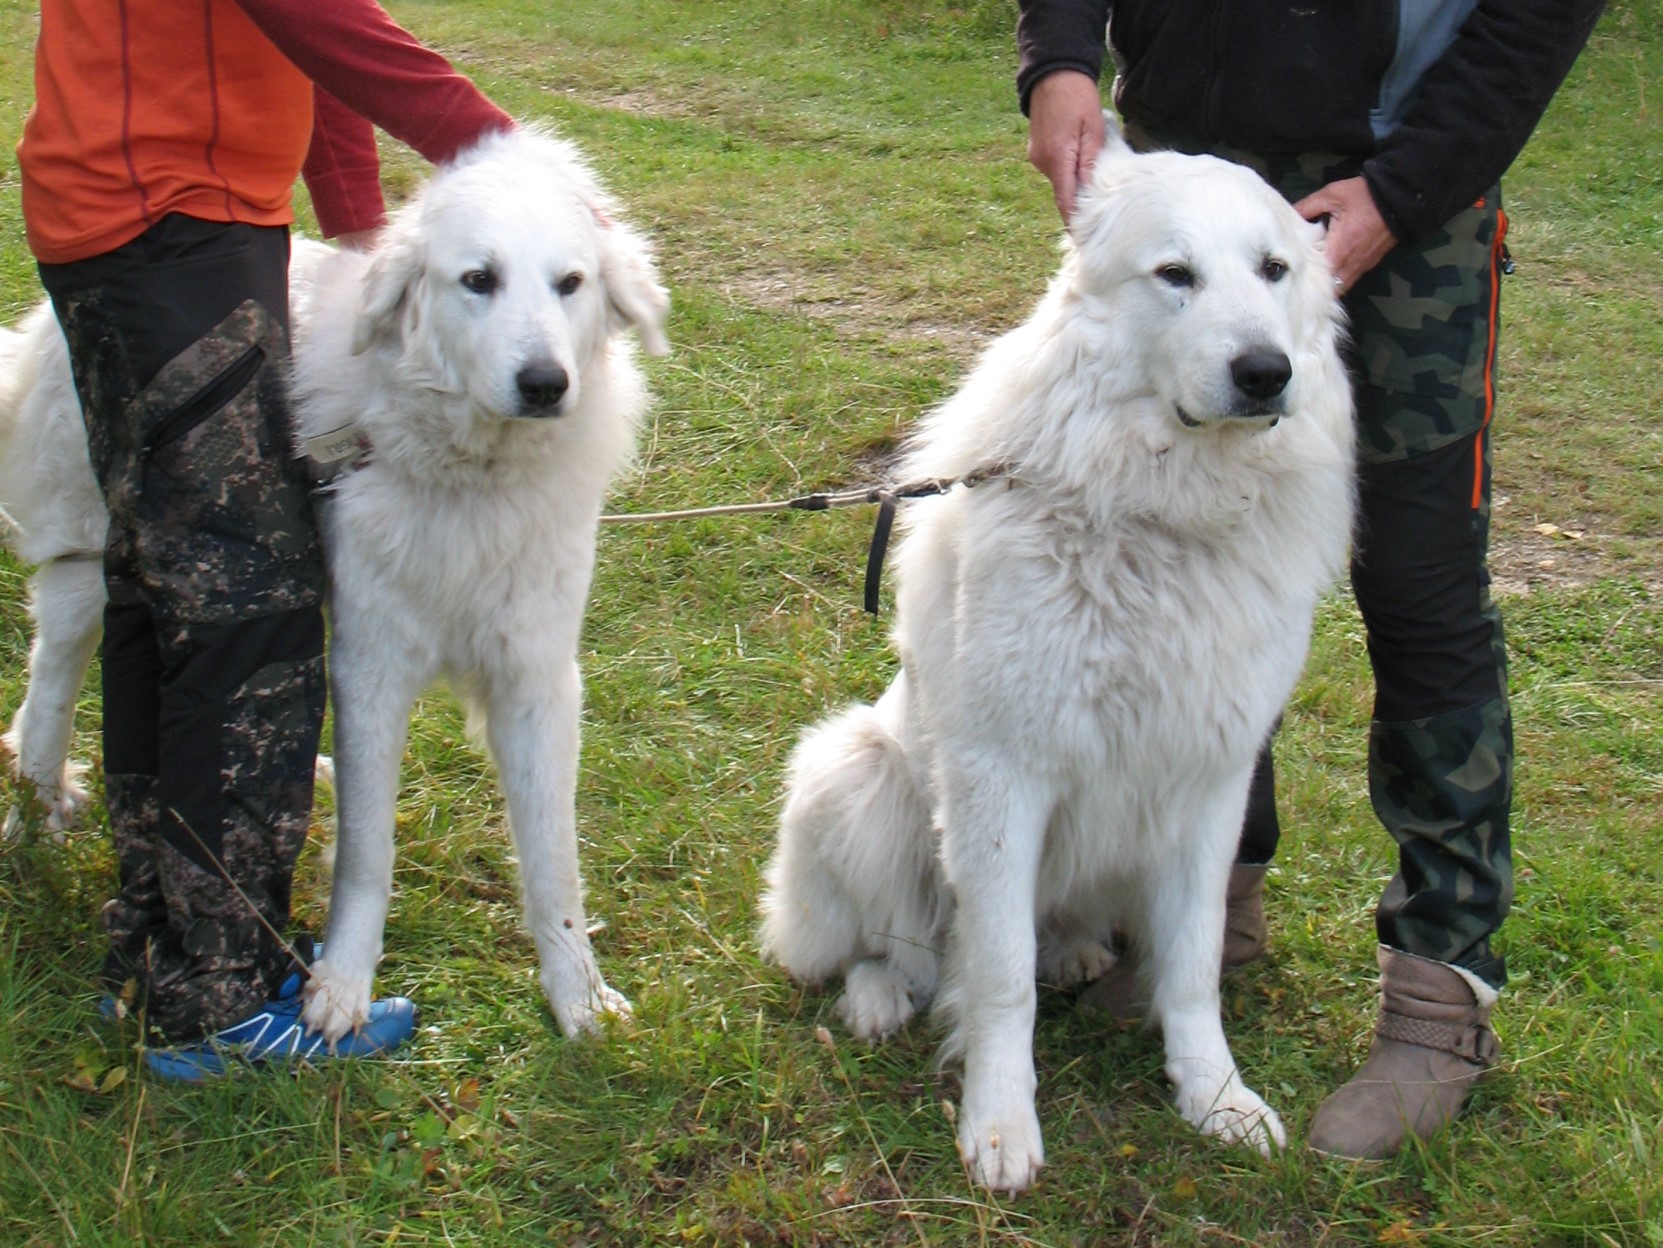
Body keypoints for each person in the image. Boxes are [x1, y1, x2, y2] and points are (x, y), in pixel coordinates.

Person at [1015, 0, 1604, 1158]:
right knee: (1178, 558)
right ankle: (1207, 919)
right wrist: (1060, 60)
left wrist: (1403, 191)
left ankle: (1441, 994)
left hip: (1396, 181)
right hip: (1186, 168)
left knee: (1420, 594)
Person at [16, 0, 514, 1080]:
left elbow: (295, 34)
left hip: (143, 221)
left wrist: (352, 230)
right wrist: (509, 160)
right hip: (167, 229)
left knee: (164, 585)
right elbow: (318, 16)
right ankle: (220, 1003)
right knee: (248, 607)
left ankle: (159, 958)